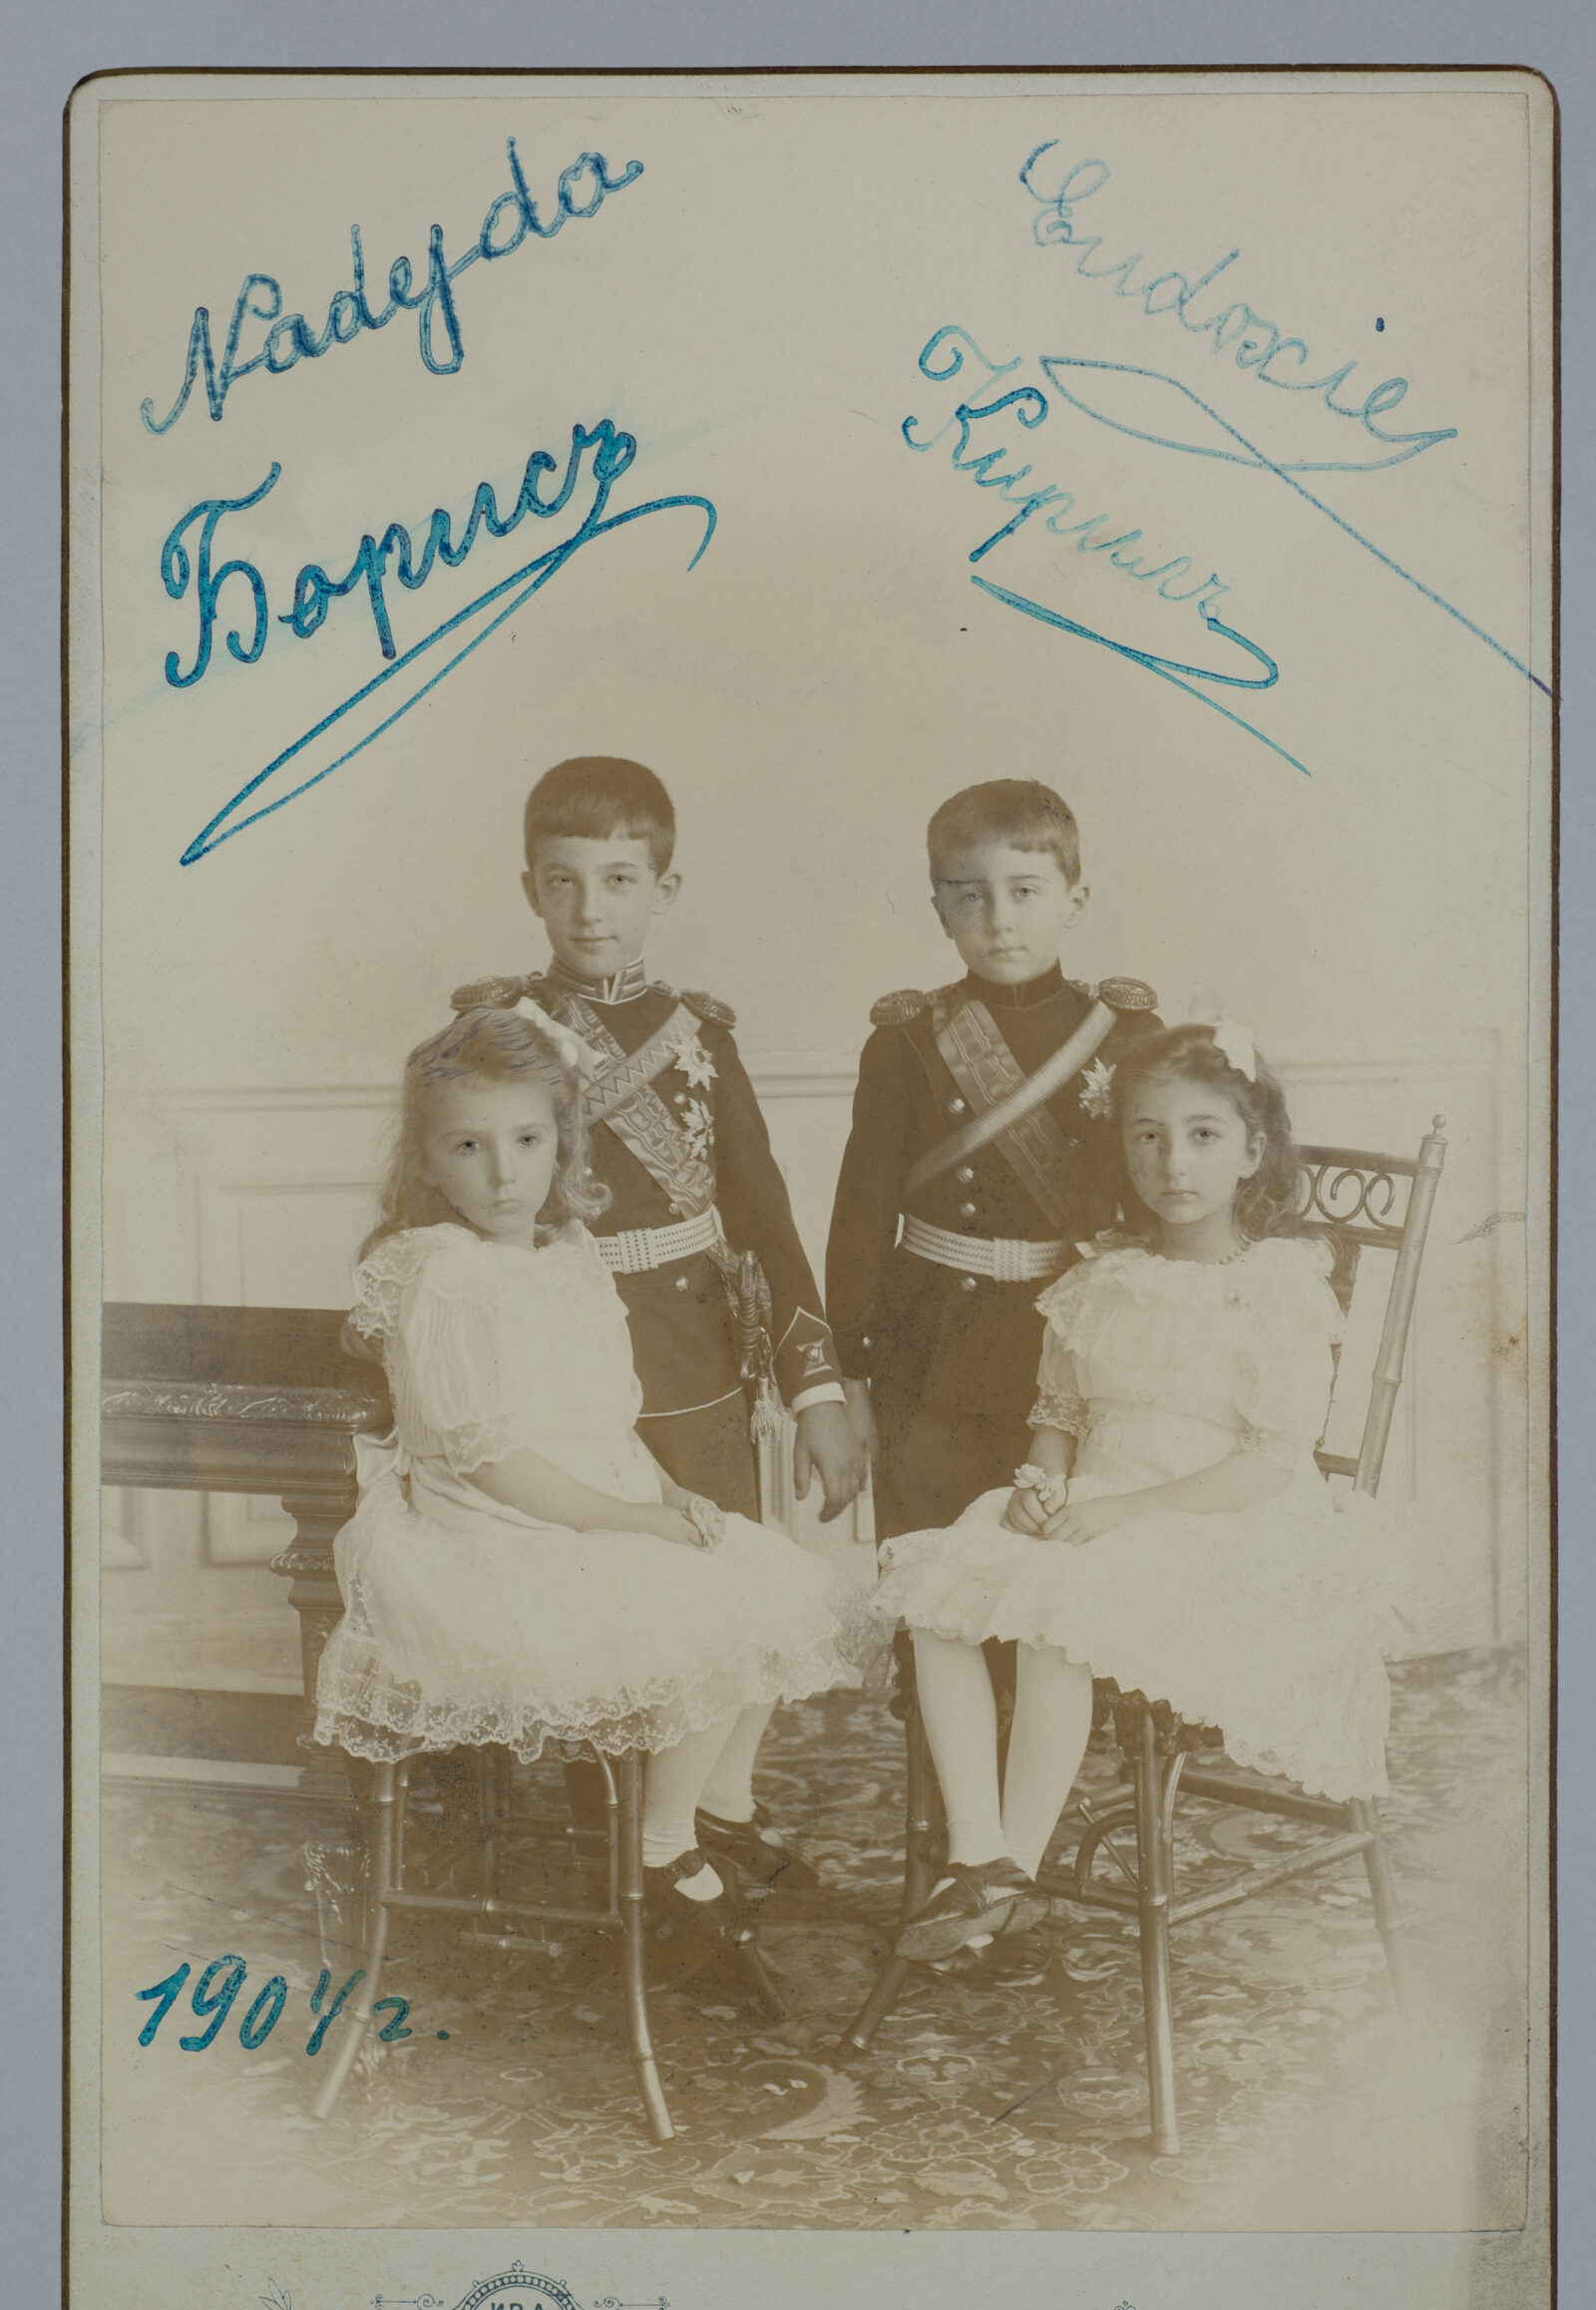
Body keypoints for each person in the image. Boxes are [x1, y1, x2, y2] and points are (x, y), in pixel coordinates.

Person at [312, 1003, 881, 1993]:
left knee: (767, 1576)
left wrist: (669, 1497)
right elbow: (490, 1462)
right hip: (488, 1537)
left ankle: (704, 1813)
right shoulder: (440, 1274)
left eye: (527, 1141)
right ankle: (664, 1854)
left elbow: (607, 1419)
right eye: (470, 1146)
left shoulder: (568, 1255)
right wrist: (634, 1520)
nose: (504, 1174)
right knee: (712, 1615)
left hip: (586, 1507)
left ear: (561, 1140)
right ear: (428, 1160)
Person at [868, 1020, 1398, 1961]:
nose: (1172, 1163)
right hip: (1094, 1504)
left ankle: (1010, 1868)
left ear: (1252, 1150)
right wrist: (1042, 1485)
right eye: (1146, 1136)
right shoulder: (1099, 1279)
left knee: (1057, 1617)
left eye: (1201, 1135)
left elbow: (1273, 1458)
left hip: (1221, 1520)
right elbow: (1060, 1415)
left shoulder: (1276, 1285)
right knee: (940, 1592)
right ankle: (980, 1856)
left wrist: (1117, 1513)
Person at [451, 755, 867, 1900]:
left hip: (701, 1372)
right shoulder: (498, 1036)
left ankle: (709, 1820)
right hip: (572, 1371)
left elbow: (765, 1225)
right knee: (626, 1625)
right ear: (531, 888)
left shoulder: (701, 1039)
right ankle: (645, 1866)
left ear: (664, 891)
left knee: (733, 1609)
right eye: (566, 881)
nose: (594, 910)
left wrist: (819, 1392)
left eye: (622, 879)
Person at [825, 776, 1161, 1719]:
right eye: (968, 895)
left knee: (1052, 1605)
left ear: (1075, 898)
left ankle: (1028, 1830)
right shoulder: (906, 1043)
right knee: (940, 1602)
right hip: (928, 1358)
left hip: (1068, 1361)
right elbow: (859, 1221)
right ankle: (952, 1832)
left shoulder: (1126, 1034)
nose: (998, 919)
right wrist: (849, 1375)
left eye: (1024, 891)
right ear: (938, 907)